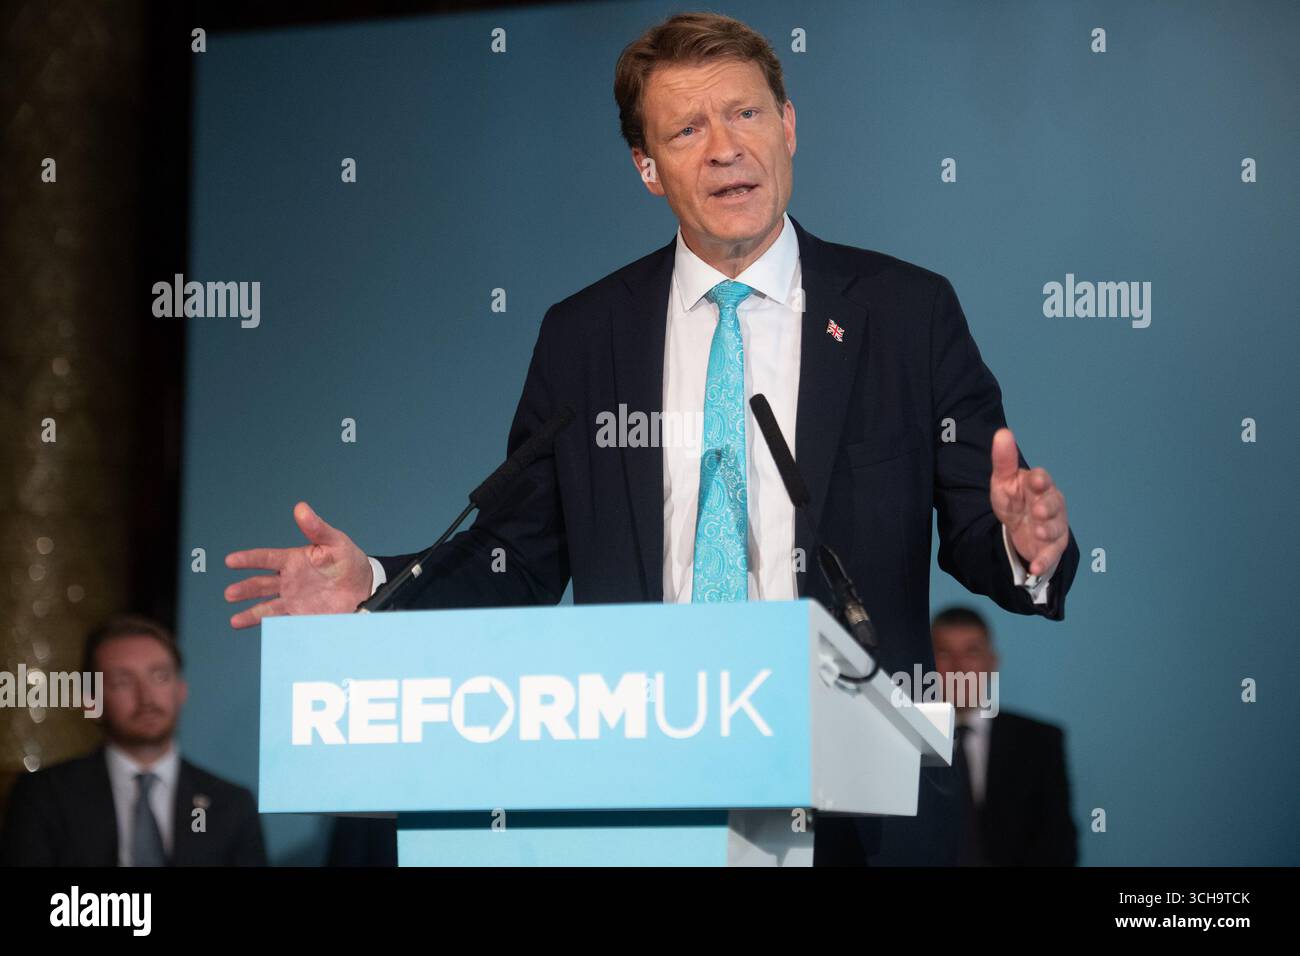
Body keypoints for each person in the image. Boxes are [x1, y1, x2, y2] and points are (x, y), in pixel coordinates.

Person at [224, 13, 1079, 866]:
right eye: (685, 129)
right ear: (647, 168)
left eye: (745, 114)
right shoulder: (586, 335)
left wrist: (1021, 541)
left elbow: (980, 526)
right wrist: (376, 583)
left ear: (789, 125)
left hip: (857, 806)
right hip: (641, 789)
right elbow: (517, 553)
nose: (723, 148)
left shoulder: (905, 312)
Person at [0, 615, 266, 866]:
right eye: (122, 682)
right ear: (90, 701)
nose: (146, 697)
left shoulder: (231, 805)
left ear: (181, 690)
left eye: (160, 677)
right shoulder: (44, 796)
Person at [876, 607, 1079, 866]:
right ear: (925, 662)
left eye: (971, 652)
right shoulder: (898, 737)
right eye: (944, 653)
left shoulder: (1039, 742)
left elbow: (1058, 844)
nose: (959, 667)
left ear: (991, 661)